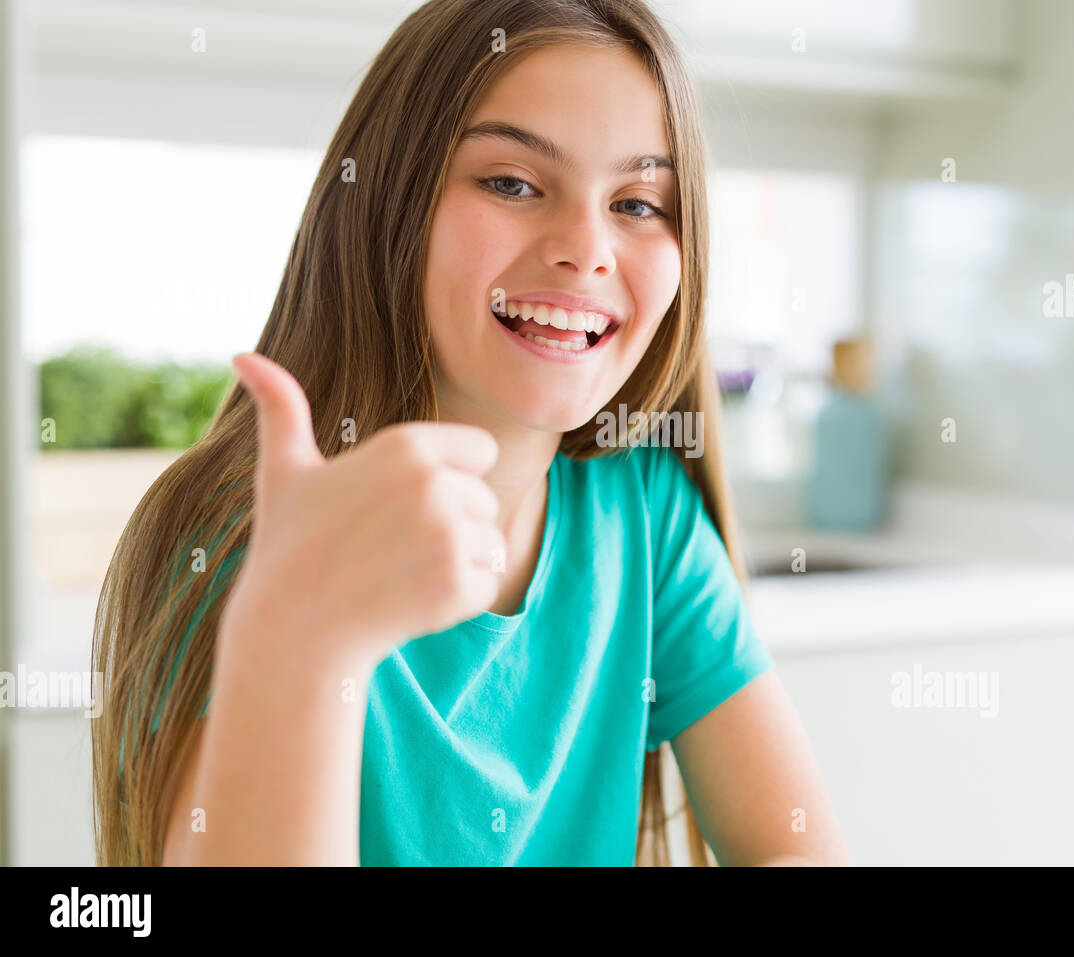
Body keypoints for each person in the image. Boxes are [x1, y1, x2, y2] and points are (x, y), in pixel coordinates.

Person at [91, 0, 852, 867]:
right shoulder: (244, 540)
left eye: (639, 202)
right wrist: (297, 634)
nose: (586, 249)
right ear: (390, 200)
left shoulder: (644, 509)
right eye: (512, 183)